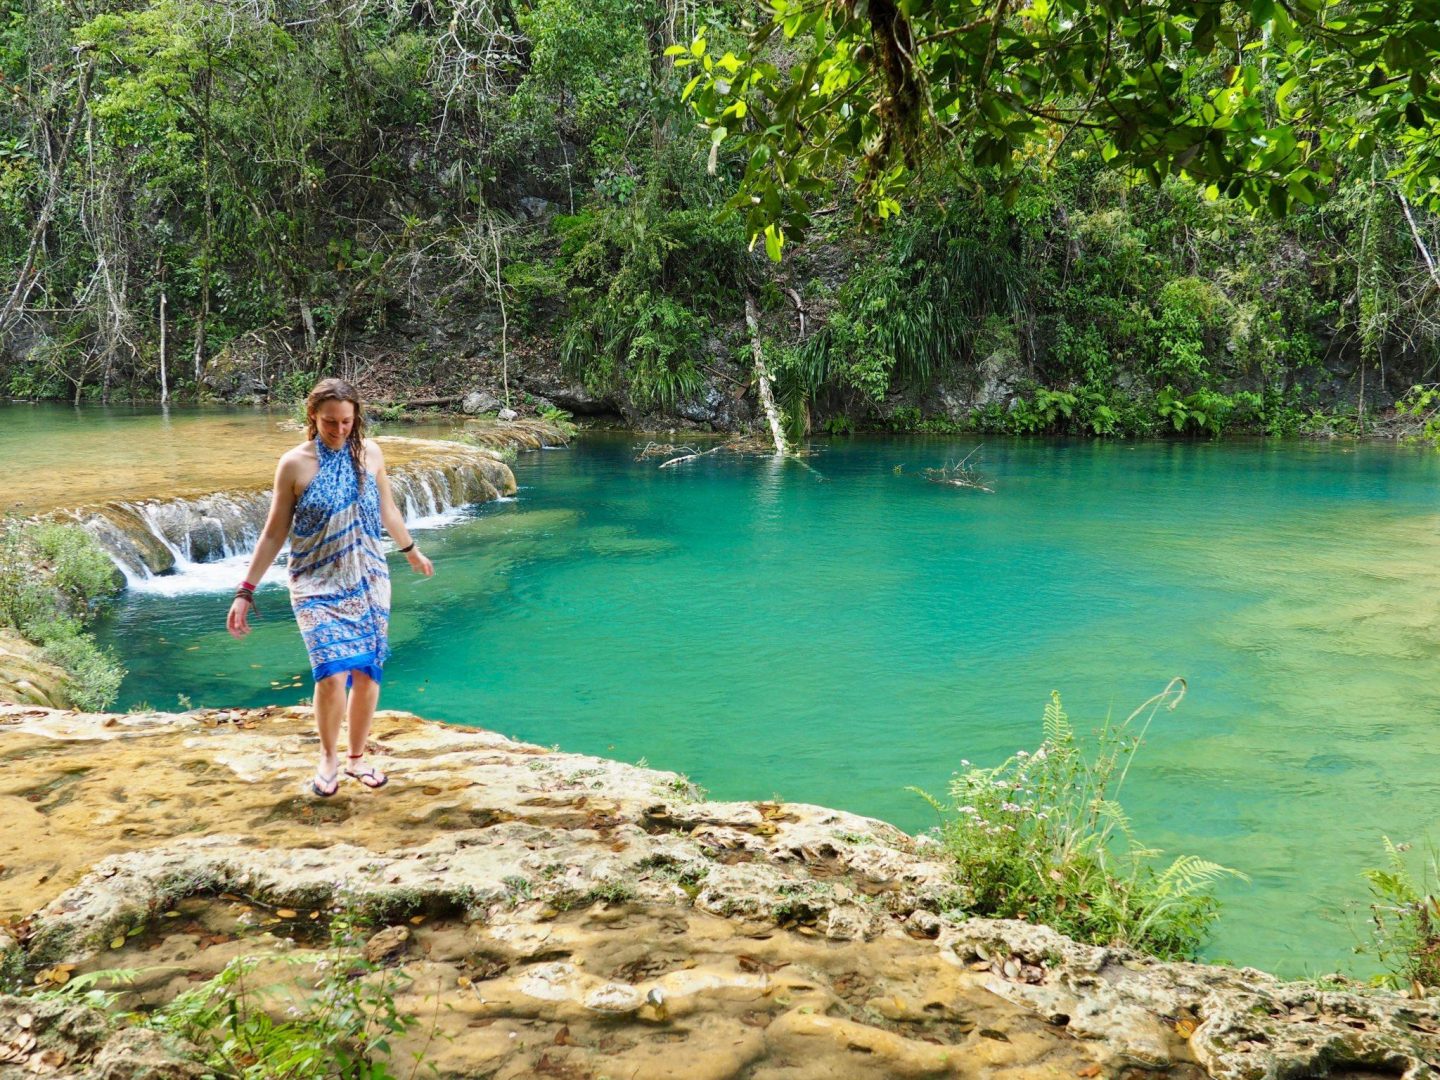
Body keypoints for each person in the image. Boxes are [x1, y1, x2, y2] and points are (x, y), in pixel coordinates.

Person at [226, 378, 434, 796]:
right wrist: (245, 590)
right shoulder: (294, 464)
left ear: (356, 418)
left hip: (368, 577)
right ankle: (328, 758)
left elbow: (388, 509)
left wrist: (410, 549)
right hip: (314, 581)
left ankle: (357, 759)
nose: (339, 430)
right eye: (329, 422)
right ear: (313, 418)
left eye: (346, 421)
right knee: (331, 673)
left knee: (367, 672)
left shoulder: (370, 453)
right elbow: (273, 532)